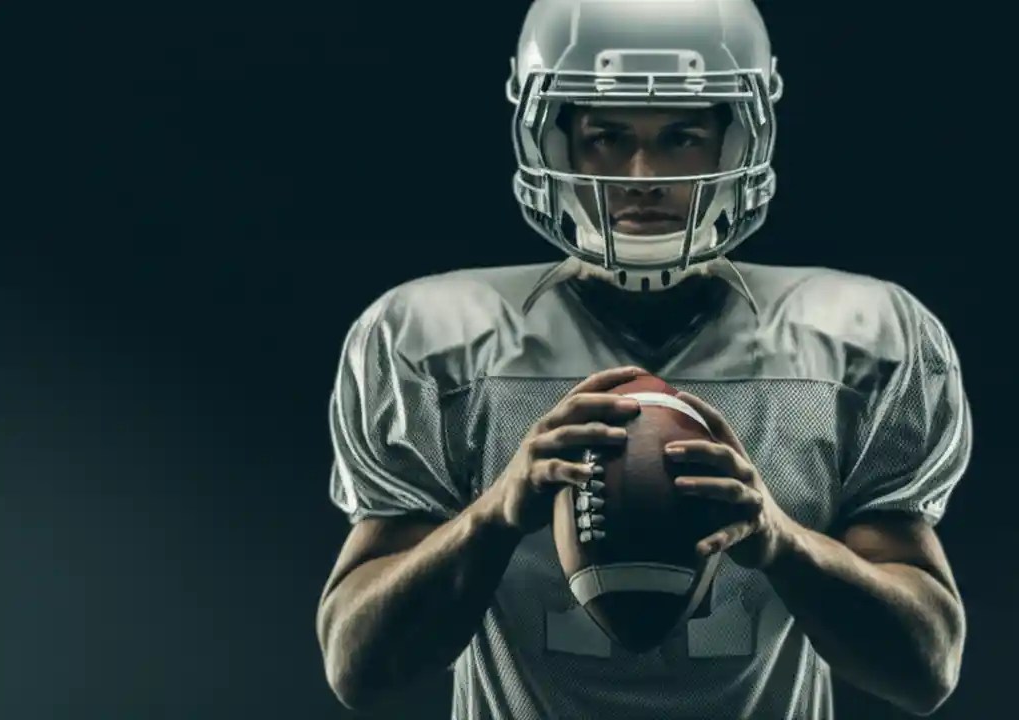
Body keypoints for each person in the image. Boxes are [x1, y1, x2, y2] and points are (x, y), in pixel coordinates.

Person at [315, 1, 972, 718]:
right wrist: (495, 515)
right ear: (554, 141)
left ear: (737, 139)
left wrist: (779, 541)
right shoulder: (434, 342)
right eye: (606, 135)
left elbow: (926, 668)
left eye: (682, 136)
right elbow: (359, 665)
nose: (642, 173)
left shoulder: (856, 342)